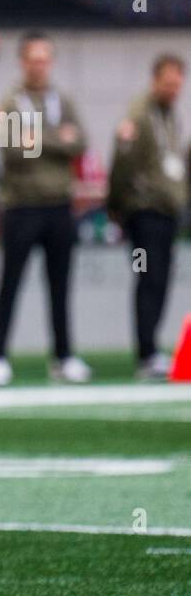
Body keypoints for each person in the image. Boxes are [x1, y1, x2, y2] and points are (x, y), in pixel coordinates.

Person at [0, 33, 90, 385]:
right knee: (10, 283)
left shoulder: (62, 99)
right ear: (22, 62)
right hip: (22, 205)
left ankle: (63, 355)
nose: (39, 65)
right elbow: (13, 149)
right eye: (33, 59)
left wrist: (38, 138)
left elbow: (81, 144)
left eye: (44, 59)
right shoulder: (12, 100)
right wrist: (57, 138)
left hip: (59, 205)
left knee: (60, 285)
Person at [108, 54, 189, 380]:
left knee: (161, 280)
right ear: (155, 80)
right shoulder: (140, 114)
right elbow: (123, 163)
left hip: (167, 212)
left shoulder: (171, 115)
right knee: (149, 279)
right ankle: (146, 352)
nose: (173, 89)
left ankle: (151, 349)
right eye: (168, 83)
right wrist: (118, 207)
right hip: (144, 212)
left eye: (177, 84)